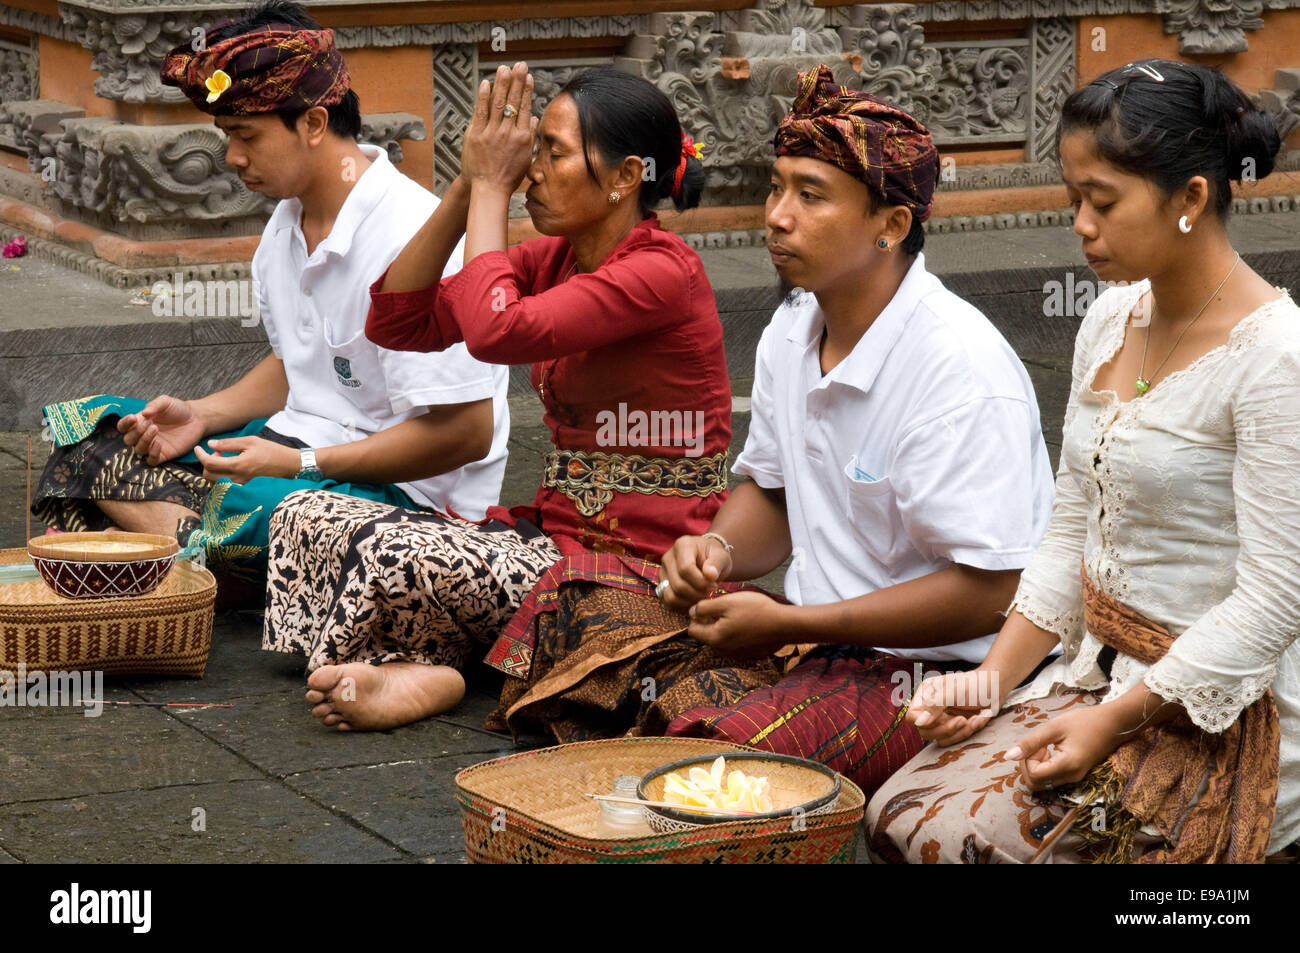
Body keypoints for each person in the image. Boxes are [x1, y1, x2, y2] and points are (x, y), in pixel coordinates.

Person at [867, 59, 1300, 864]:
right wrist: (993, 680)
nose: (1080, 224)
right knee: (895, 811)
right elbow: (1072, 524)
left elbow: (1276, 601)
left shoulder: (1275, 356)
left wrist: (1113, 719)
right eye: (1072, 198)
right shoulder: (1107, 318)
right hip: (1093, 672)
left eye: (1102, 201)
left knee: (967, 842)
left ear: (1193, 199)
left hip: (1219, 704)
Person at [264, 64, 779, 732]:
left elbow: (494, 332)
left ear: (626, 177)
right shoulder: (555, 258)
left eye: (553, 153)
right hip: (552, 544)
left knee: (396, 551)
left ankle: (433, 666)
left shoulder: (663, 271)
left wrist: (490, 190)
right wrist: (466, 182)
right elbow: (397, 320)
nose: (532, 171)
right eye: (531, 152)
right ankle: (443, 665)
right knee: (305, 516)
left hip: (637, 571)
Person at [651, 66, 1056, 799]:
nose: (776, 215)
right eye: (777, 187)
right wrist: (716, 551)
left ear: (890, 226)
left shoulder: (958, 368)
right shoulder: (792, 327)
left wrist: (788, 621)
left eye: (810, 195)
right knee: (585, 623)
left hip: (937, 673)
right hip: (813, 640)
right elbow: (771, 493)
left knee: (717, 768)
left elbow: (994, 591)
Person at [32, 0, 508, 586]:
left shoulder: (415, 239)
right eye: (226, 135)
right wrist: (201, 416)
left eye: (246, 135)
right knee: (94, 434)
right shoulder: (285, 225)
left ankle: (168, 560)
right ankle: (201, 564)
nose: (232, 157)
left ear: (312, 123)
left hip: (407, 507)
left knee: (262, 514)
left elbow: (466, 432)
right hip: (290, 455)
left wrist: (299, 463)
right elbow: (300, 367)